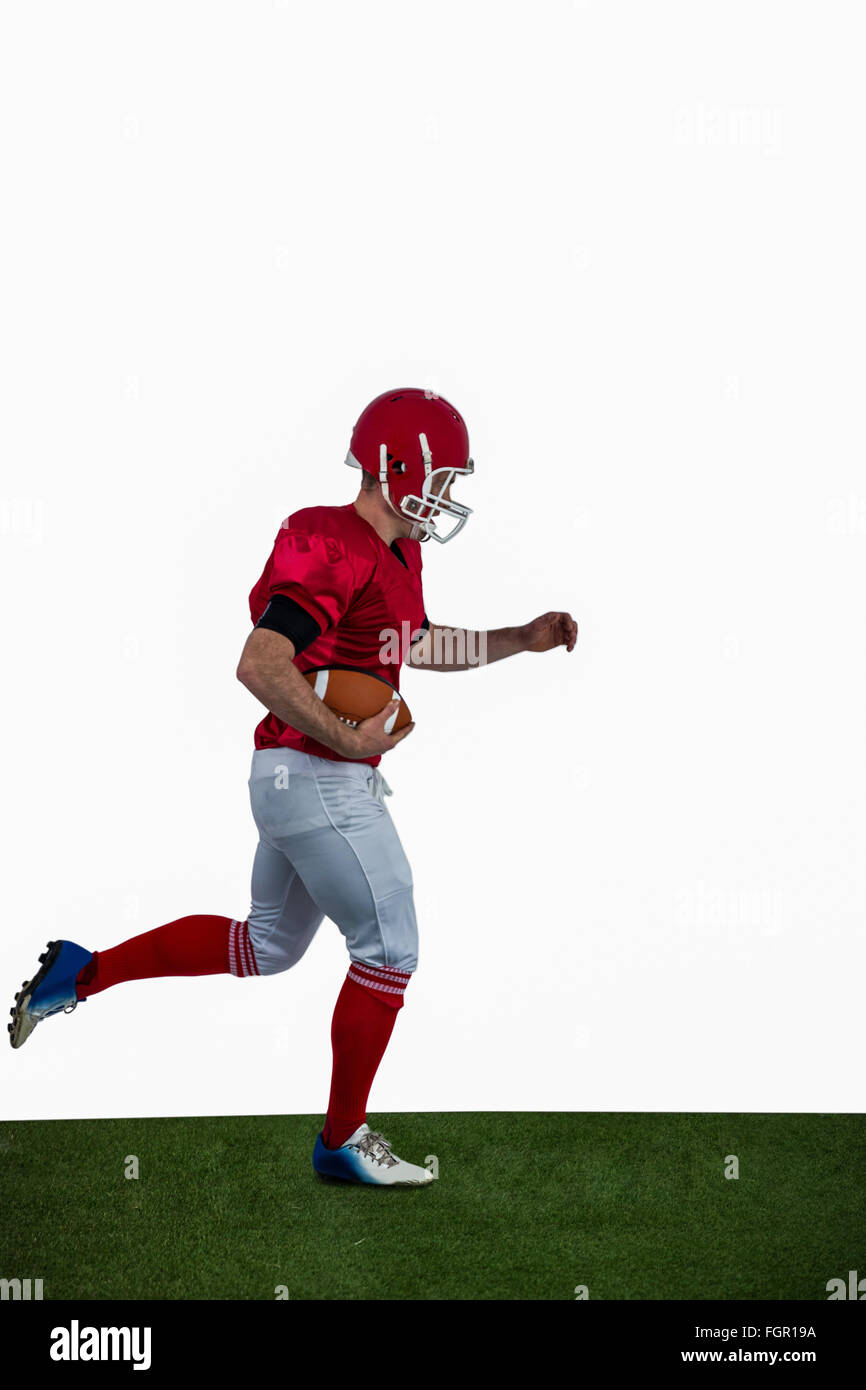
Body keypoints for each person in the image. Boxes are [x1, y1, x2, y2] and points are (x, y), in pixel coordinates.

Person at [8, 387, 577, 1187]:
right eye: (441, 479)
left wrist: (521, 638)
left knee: (266, 945)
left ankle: (81, 970)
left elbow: (413, 645)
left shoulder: (402, 555)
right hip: (319, 778)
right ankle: (343, 1139)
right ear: (397, 466)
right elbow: (261, 661)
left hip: (290, 779)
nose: (447, 498)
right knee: (391, 949)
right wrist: (348, 738)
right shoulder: (332, 540)